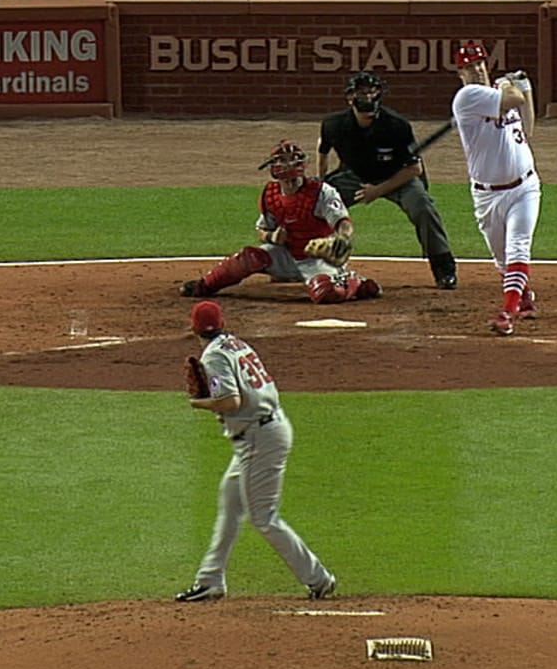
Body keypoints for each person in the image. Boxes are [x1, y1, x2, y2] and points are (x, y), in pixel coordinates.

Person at [174, 300, 340, 605]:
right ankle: (210, 580)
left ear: (194, 328)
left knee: (264, 518)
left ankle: (319, 579)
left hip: (258, 437)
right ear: (222, 323)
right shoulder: (236, 344)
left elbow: (230, 401)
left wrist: (198, 403)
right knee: (230, 501)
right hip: (268, 428)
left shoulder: (213, 356)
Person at [179, 141, 383, 305]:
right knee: (249, 257)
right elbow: (262, 230)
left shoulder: (322, 192)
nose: (291, 182)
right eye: (283, 165)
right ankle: (204, 285)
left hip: (318, 258)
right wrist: (271, 237)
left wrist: (342, 238)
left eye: (292, 166)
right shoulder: (270, 195)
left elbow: (343, 221)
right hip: (287, 254)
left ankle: (355, 282)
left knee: (326, 294)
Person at [318, 72, 459, 290]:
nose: (367, 97)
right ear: (350, 98)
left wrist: (376, 191)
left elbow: (414, 169)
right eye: (362, 93)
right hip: (356, 176)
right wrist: (321, 183)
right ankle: (303, 261)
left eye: (372, 92)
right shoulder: (333, 125)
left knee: (423, 207)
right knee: (317, 203)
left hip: (397, 177)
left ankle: (444, 268)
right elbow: (323, 150)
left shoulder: (396, 126)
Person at [450, 43, 539, 336]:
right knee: (502, 259)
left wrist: (526, 89)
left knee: (518, 248)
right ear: (460, 73)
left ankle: (508, 312)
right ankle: (522, 294)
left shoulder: (498, 96)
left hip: (524, 188)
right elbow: (511, 97)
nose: (476, 70)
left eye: (479, 64)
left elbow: (526, 130)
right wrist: (510, 85)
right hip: (488, 195)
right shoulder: (468, 97)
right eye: (469, 66)